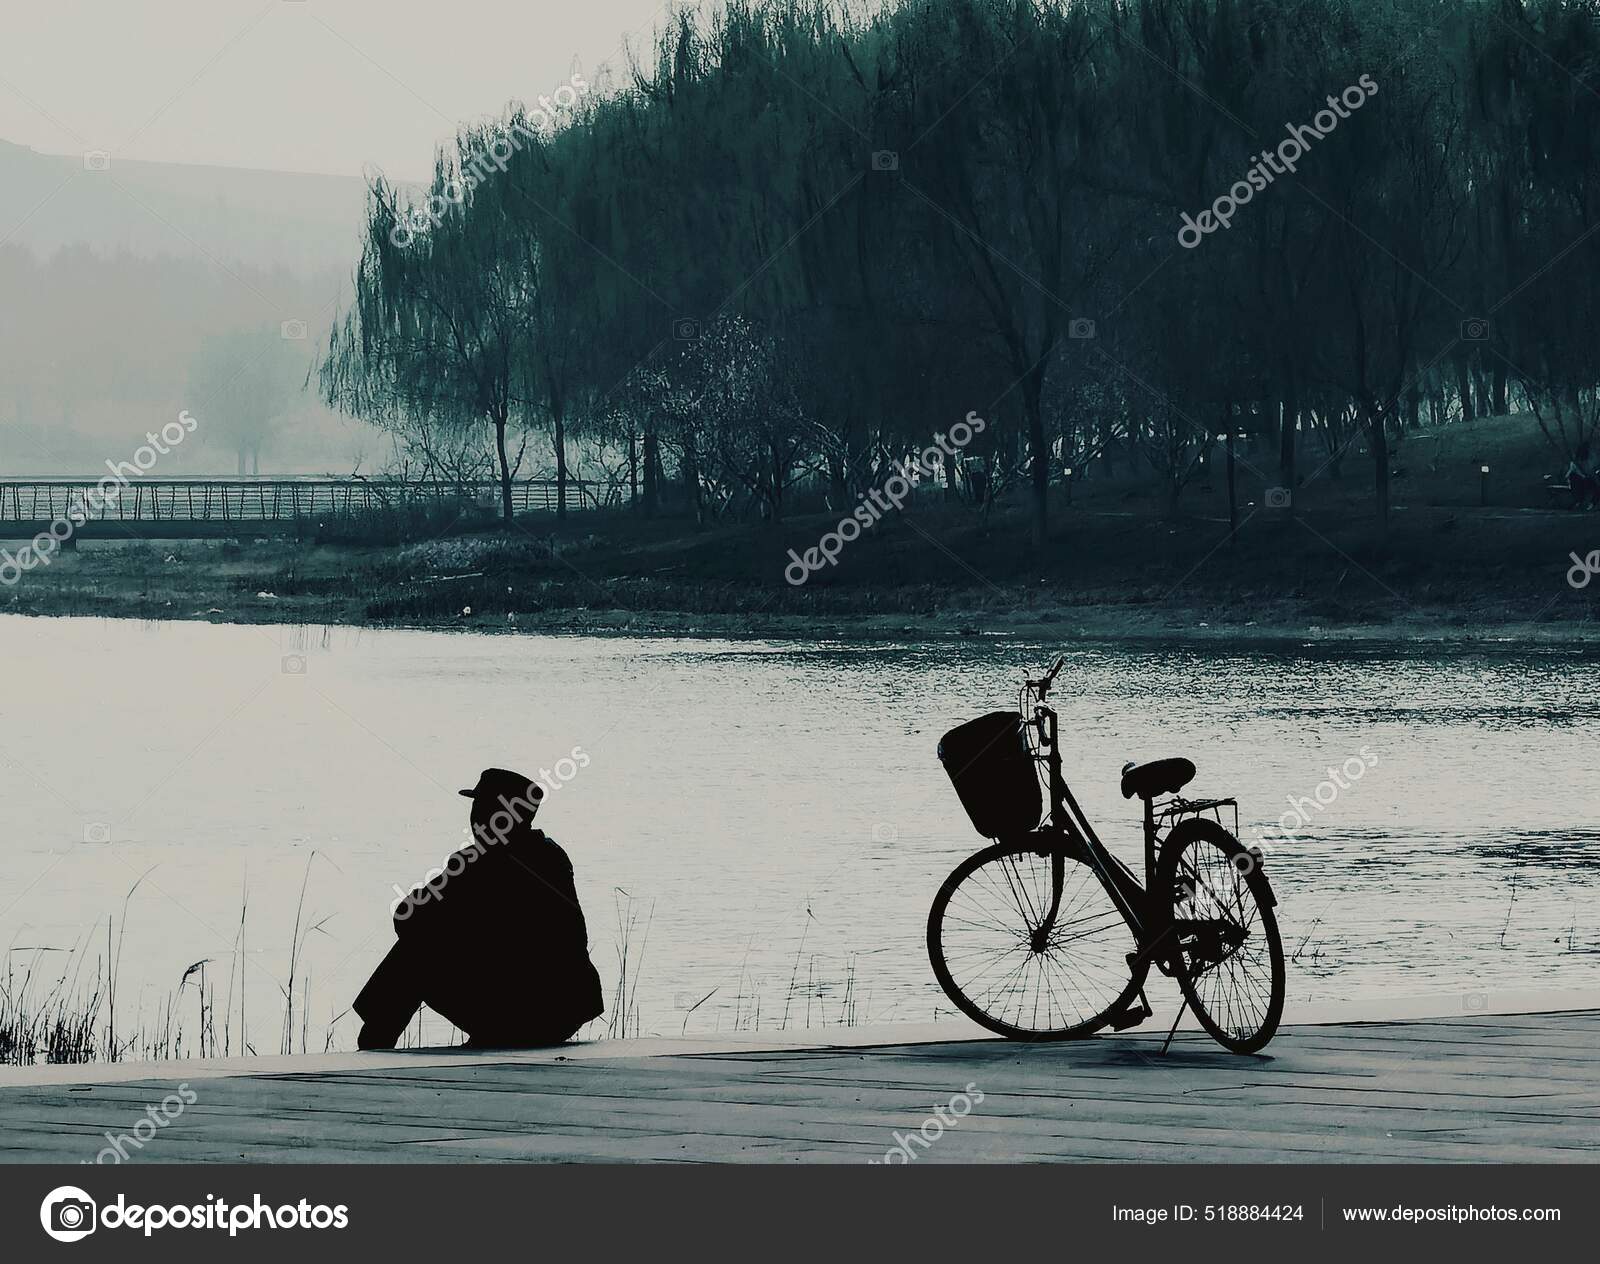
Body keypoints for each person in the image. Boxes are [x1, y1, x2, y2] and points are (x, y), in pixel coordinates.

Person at [353, 768, 604, 1049]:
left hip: (525, 1010)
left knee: (414, 953)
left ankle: (374, 1046)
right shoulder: (551, 856)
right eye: (476, 808)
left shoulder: (477, 864)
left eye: (483, 808)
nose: (475, 819)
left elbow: (406, 916)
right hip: (563, 1012)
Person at [1565, 443, 1599, 510]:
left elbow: (1588, 472)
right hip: (1576, 483)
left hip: (1583, 482)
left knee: (1597, 488)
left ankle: (1591, 505)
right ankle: (1579, 503)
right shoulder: (1574, 463)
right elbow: (1579, 474)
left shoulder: (1586, 462)